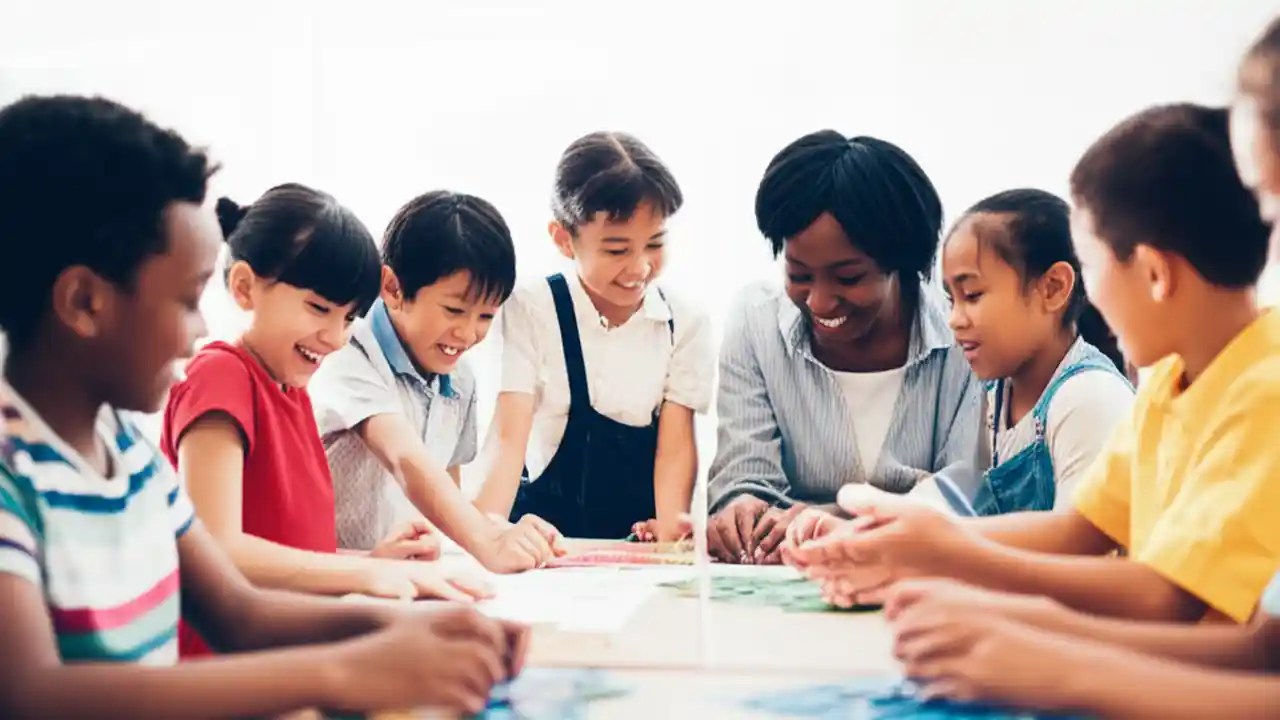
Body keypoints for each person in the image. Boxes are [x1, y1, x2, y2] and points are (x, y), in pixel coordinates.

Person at [0, 94, 525, 719]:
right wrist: (338, 671)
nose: (200, 329)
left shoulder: (126, 453)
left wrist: (411, 632)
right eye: (189, 299)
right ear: (85, 302)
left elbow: (240, 614)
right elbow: (31, 694)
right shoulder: (13, 477)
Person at [787, 103, 1280, 628]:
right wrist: (905, 537)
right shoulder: (1170, 385)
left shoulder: (1262, 392)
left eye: (1092, 265)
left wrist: (944, 555)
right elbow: (1076, 531)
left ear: (1155, 273)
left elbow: (1166, 595)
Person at [163, 185, 490, 657]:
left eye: (349, 317)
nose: (335, 338)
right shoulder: (220, 376)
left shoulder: (291, 391)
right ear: (244, 287)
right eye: (318, 308)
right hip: (228, 669)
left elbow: (285, 545)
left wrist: (369, 560)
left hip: (291, 651)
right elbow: (216, 547)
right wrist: (366, 573)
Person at [706, 130, 981, 563]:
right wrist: (742, 511)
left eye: (848, 278)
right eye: (799, 275)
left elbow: (972, 492)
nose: (819, 301)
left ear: (901, 263)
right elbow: (745, 476)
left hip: (921, 575)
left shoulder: (967, 333)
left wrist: (838, 518)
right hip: (788, 581)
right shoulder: (755, 322)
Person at [472, 132, 714, 542]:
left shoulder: (683, 323)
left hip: (633, 545)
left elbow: (674, 451)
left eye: (655, 243)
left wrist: (671, 532)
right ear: (563, 239)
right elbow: (508, 436)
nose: (639, 267)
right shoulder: (532, 307)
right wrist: (481, 539)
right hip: (543, 540)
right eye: (617, 250)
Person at [310, 190, 563, 572]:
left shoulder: (459, 378)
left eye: (486, 316)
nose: (467, 333)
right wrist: (489, 539)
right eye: (455, 310)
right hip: (329, 579)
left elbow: (447, 501)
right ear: (393, 288)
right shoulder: (348, 351)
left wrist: (503, 531)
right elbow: (403, 457)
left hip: (402, 584)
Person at [941, 188, 1133, 515]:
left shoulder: (1089, 398)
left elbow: (1077, 551)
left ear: (1053, 288)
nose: (955, 320)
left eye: (972, 295)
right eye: (951, 300)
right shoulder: (990, 394)